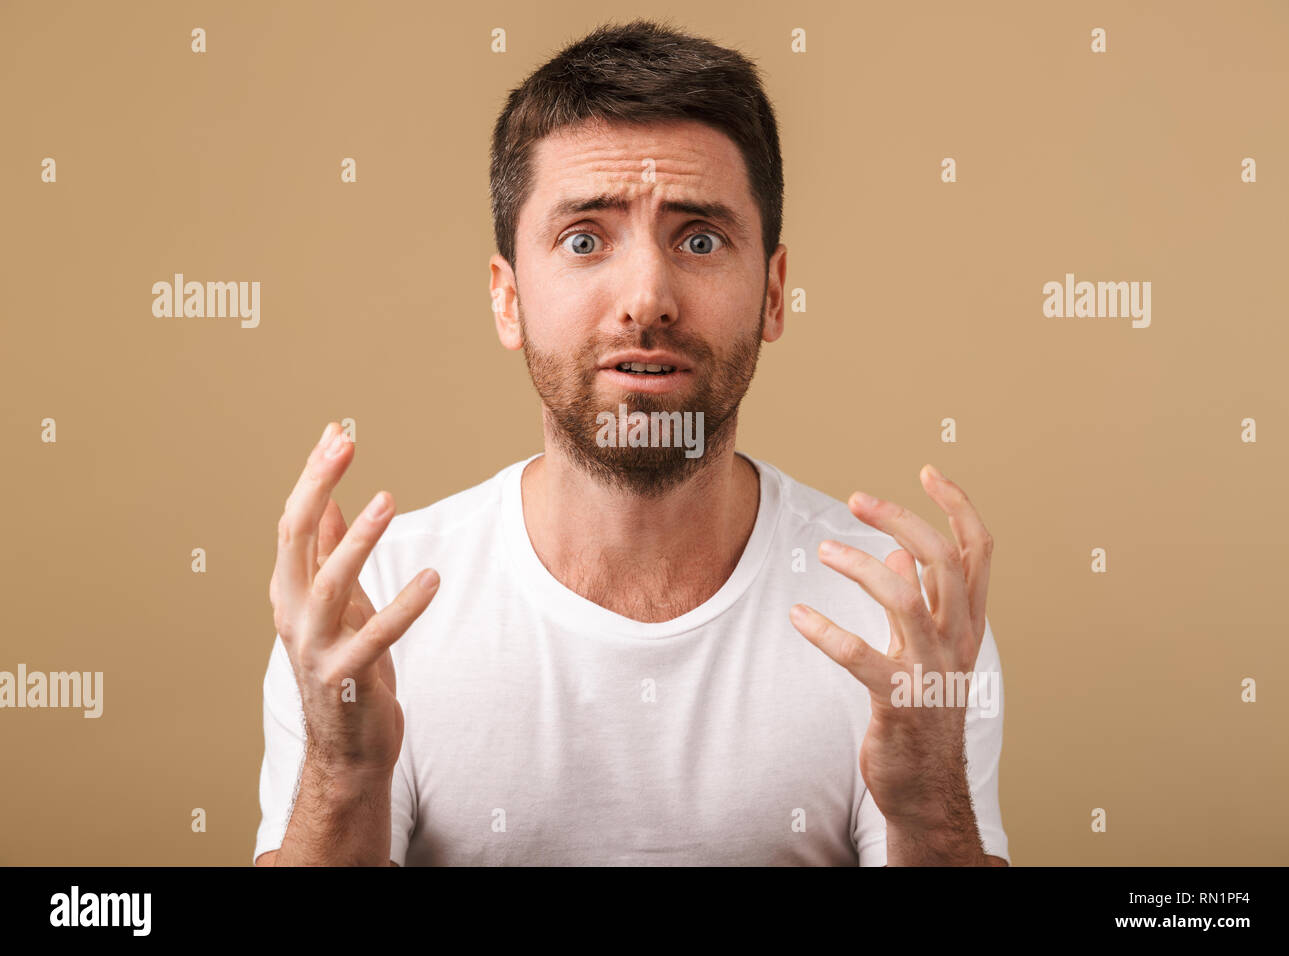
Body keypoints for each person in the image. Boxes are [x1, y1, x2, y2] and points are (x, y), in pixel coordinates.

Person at [255, 18, 1009, 866]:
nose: (646, 297)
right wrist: (344, 769)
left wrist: (925, 803)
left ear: (773, 292)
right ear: (508, 299)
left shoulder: (899, 619)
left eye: (699, 239)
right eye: (584, 240)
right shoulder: (367, 614)